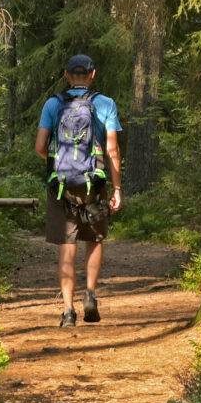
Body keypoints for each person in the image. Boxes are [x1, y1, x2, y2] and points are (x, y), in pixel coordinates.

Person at [35, 53, 123, 327]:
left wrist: (61, 166)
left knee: (67, 245)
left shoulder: (53, 104)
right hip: (94, 184)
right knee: (94, 240)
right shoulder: (106, 104)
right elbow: (112, 150)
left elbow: (39, 147)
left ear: (66, 75)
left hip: (61, 187)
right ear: (93, 74)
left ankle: (67, 311)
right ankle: (91, 295)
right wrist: (117, 187)